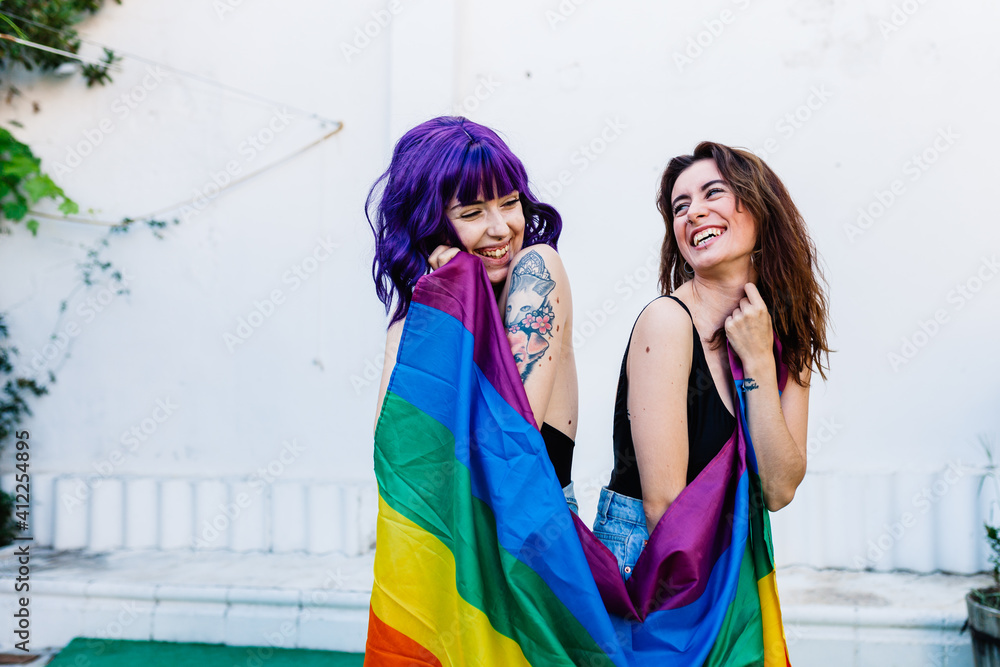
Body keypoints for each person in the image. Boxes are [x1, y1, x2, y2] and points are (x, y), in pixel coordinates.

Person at [594, 141, 831, 578]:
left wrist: (759, 364)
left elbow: (778, 489)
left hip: (724, 558)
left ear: (760, 206)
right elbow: (664, 507)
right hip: (654, 562)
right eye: (680, 206)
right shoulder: (667, 322)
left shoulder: (786, 332)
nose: (693, 213)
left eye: (713, 192)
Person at [368, 116, 579, 509]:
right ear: (428, 225)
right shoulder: (425, 312)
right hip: (455, 534)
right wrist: (447, 298)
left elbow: (507, 446)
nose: (501, 228)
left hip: (532, 534)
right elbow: (398, 463)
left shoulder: (535, 270)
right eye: (472, 213)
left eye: (510, 203)